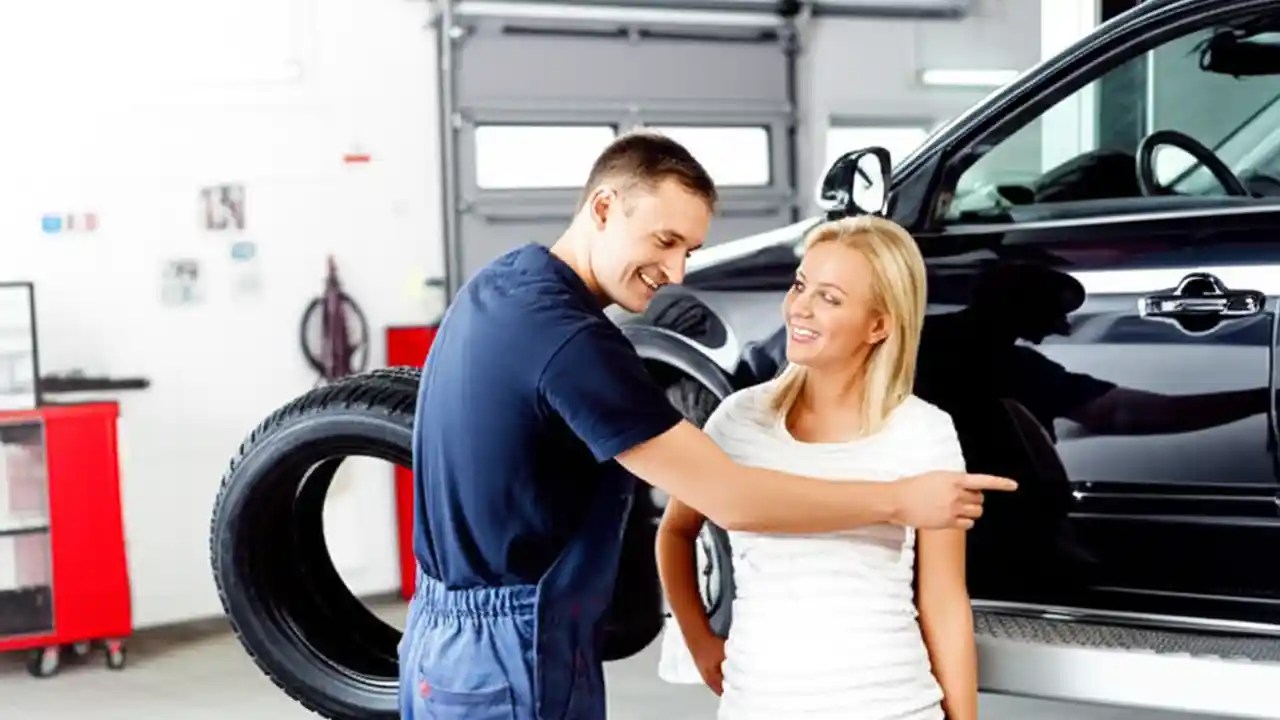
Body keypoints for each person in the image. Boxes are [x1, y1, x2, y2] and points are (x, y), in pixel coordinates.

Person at [401, 131, 1013, 720]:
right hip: (508, 651)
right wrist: (903, 499)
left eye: (687, 251)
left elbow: (942, 600)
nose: (676, 272)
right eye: (664, 240)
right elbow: (730, 501)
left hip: (458, 639)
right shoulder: (575, 344)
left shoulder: (501, 286)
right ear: (604, 207)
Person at [656, 214, 978, 720]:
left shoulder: (923, 432)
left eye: (829, 298)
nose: (799, 308)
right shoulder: (738, 420)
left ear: (879, 324)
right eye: (800, 285)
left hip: (894, 706)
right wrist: (698, 639)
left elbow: (943, 601)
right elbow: (676, 532)